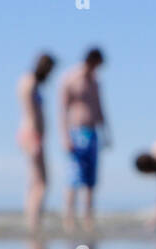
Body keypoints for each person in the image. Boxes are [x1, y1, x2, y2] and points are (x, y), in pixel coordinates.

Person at [59, 48, 110, 233]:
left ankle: (88, 220)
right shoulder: (70, 78)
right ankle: (69, 220)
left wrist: (107, 134)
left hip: (93, 132)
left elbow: (100, 107)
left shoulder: (96, 81)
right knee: (74, 178)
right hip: (76, 132)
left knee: (90, 181)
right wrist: (65, 136)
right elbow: (62, 110)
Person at [16, 53, 56, 234]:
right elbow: (30, 113)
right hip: (32, 135)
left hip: (32, 135)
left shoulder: (31, 82)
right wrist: (35, 139)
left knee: (34, 181)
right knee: (41, 182)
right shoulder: (29, 81)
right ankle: (34, 223)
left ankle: (32, 221)